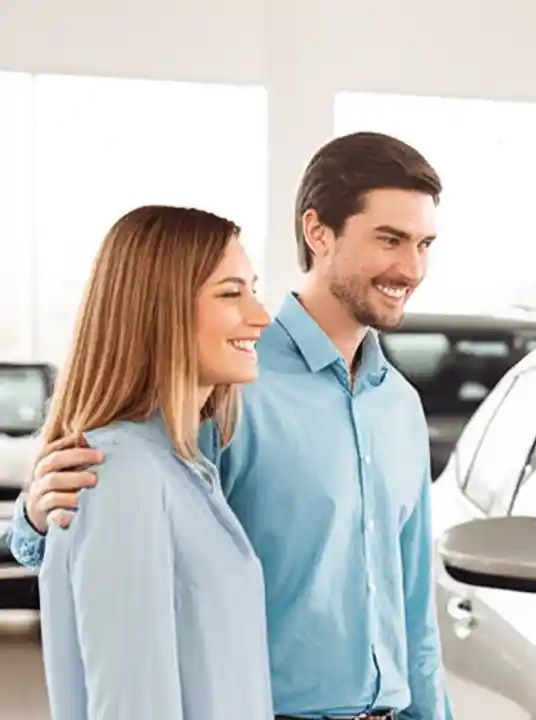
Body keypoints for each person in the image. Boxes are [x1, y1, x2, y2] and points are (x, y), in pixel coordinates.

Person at [13, 132, 452, 719]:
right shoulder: (228, 379)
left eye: (424, 243)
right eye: (391, 240)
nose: (412, 267)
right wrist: (35, 519)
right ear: (317, 232)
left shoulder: (399, 405)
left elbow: (413, 606)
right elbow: (125, 517)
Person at [38, 205, 273, 718]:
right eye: (231, 293)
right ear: (158, 308)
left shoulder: (183, 466)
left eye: (252, 289)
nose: (261, 316)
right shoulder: (122, 472)